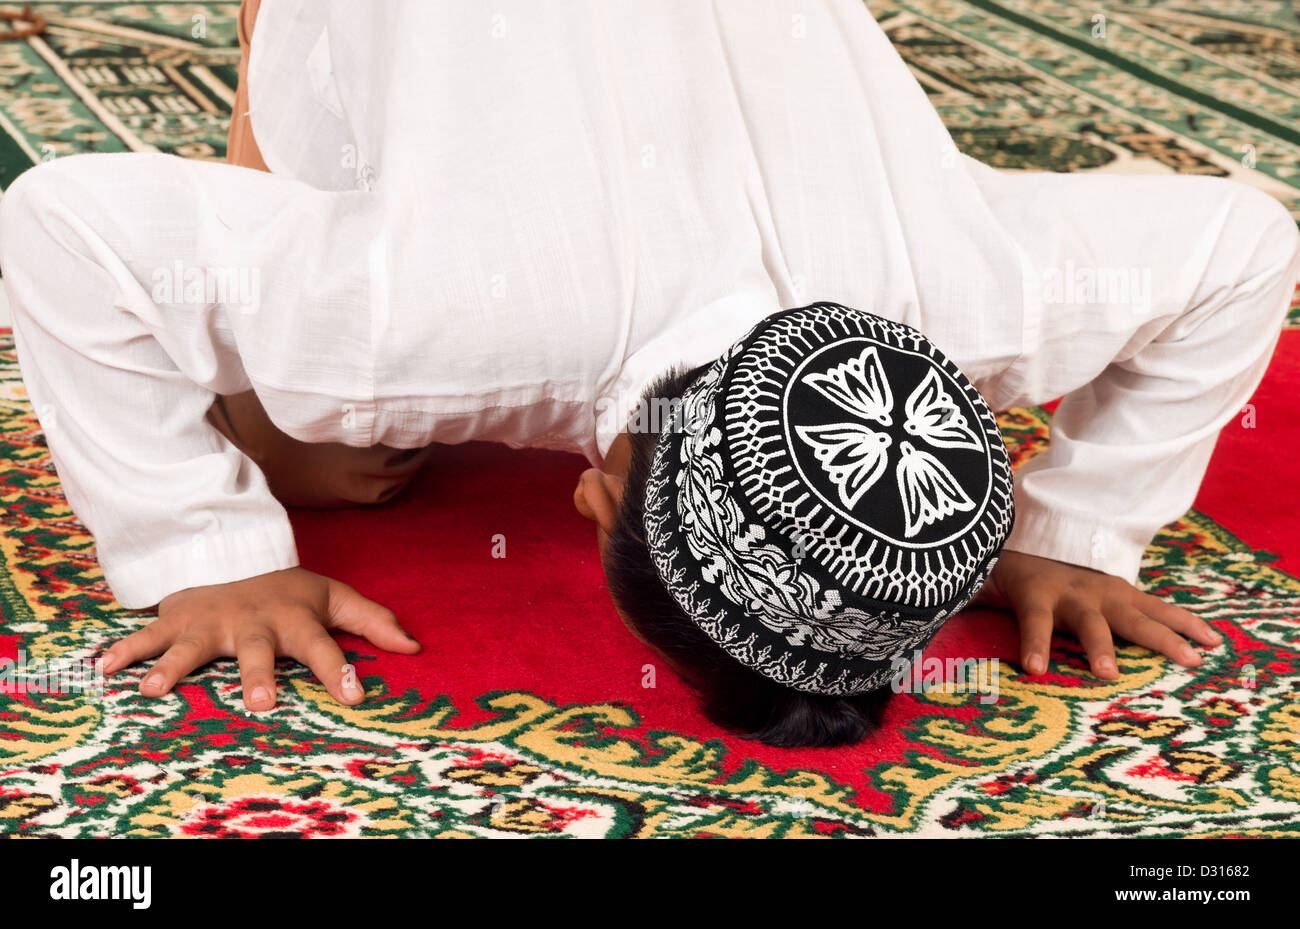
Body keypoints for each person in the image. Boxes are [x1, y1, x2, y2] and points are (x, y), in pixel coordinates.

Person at [0, 0, 1294, 747]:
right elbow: (58, 224)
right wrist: (210, 550)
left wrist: (1072, 529)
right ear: (597, 506)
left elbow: (1248, 240)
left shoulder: (989, 306)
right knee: (298, 363)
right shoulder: (420, 334)